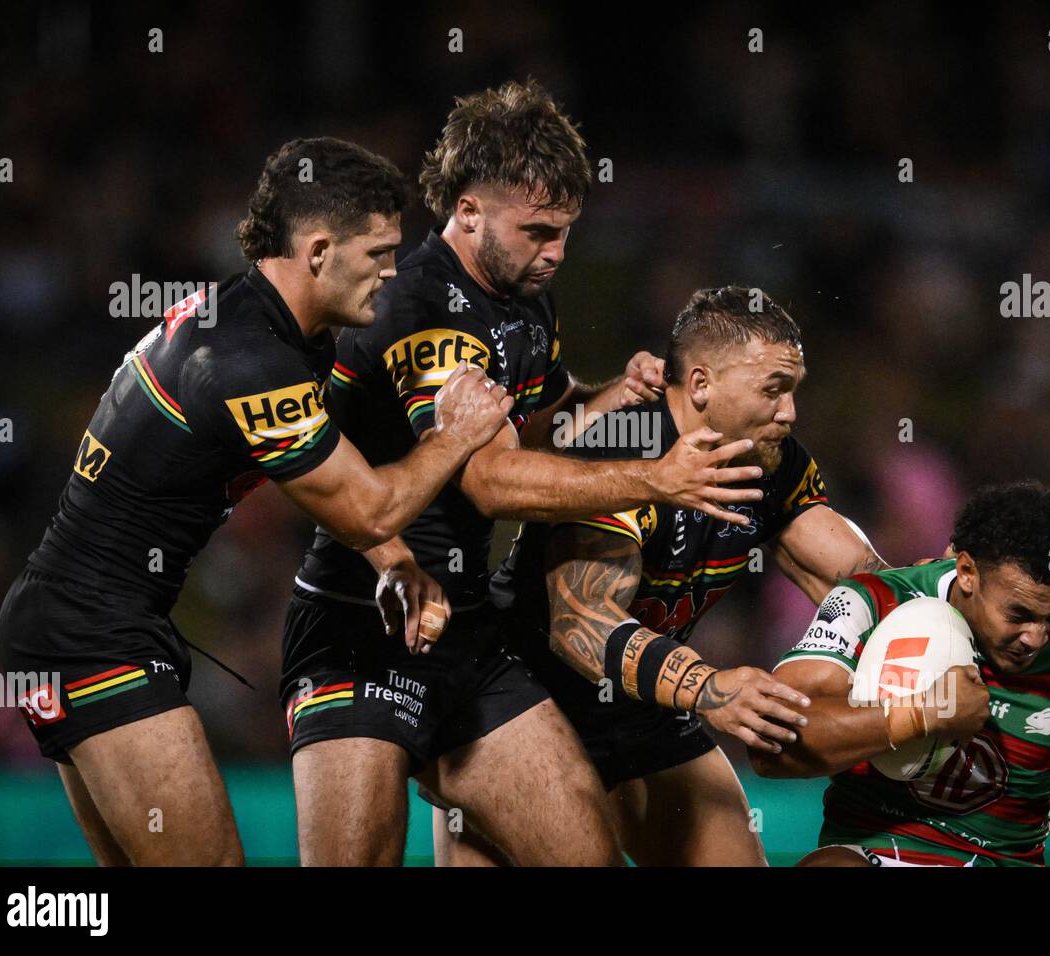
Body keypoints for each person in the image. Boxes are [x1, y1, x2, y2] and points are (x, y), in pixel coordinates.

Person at [282, 82, 764, 866]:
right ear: (468, 211)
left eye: (567, 232)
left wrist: (609, 397)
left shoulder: (521, 298)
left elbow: (537, 426)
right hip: (361, 626)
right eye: (538, 231)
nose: (557, 253)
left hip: (465, 628)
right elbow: (489, 481)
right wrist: (655, 480)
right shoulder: (423, 305)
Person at [0, 137, 512, 865]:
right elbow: (368, 507)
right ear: (320, 250)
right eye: (379, 253)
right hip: (91, 635)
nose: (393, 273)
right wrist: (456, 435)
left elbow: (325, 481)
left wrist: (393, 561)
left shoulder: (265, 326)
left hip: (78, 623)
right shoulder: (247, 361)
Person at [437, 285, 886, 865]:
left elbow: (857, 580)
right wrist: (709, 689)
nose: (790, 412)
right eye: (774, 390)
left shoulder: (772, 461)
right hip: (522, 702)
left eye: (793, 390)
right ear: (701, 385)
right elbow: (581, 625)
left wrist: (947, 601)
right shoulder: (620, 449)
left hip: (641, 703)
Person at [755, 481, 1050, 867]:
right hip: (871, 851)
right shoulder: (874, 602)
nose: (1036, 638)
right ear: (967, 573)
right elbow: (773, 747)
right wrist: (923, 716)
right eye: (1018, 615)